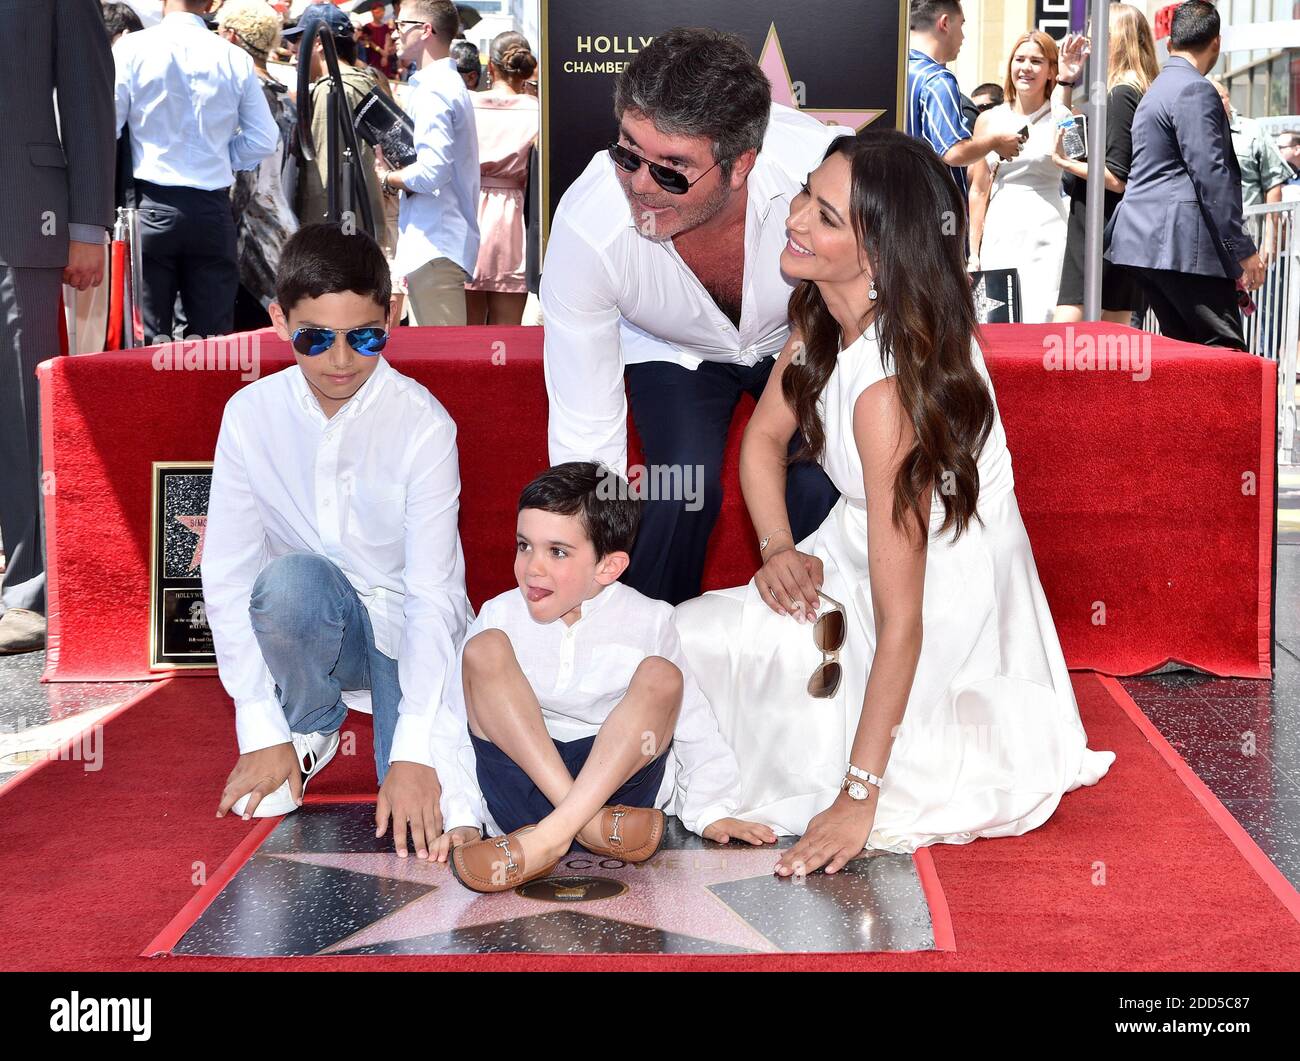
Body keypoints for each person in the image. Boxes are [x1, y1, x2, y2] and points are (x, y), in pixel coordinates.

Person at [673, 130, 1116, 872]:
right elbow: (761, 441)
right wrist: (778, 548)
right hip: (853, 549)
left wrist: (859, 792)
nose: (795, 217)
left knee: (719, 678)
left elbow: (904, 617)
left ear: (876, 257)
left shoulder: (887, 394)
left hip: (936, 603)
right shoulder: (823, 314)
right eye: (807, 194)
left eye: (825, 215)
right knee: (685, 643)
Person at [542, 28, 844, 607]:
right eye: (628, 153)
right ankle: (645, 644)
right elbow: (587, 433)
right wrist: (589, 589)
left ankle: (819, 644)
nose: (638, 185)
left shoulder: (816, 170)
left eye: (673, 170)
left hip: (798, 332)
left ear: (740, 166)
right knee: (682, 486)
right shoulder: (589, 230)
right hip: (672, 349)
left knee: (821, 476)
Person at [207, 223, 471, 862]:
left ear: (394, 313)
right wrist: (259, 728)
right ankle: (310, 721)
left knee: (422, 819)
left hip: (406, 629)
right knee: (288, 583)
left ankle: (396, 731)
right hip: (312, 619)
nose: (340, 360)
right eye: (314, 337)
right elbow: (229, 574)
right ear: (278, 321)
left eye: (365, 337)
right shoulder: (249, 416)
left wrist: (411, 752)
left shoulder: (424, 425)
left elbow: (433, 595)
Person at [437, 462, 775, 893]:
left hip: (617, 786)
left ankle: (547, 838)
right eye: (525, 546)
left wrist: (711, 809)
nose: (532, 568)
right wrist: (462, 817)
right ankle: (581, 825)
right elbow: (452, 723)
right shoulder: (498, 614)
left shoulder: (650, 619)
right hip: (528, 786)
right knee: (483, 650)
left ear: (608, 568)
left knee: (661, 676)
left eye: (557, 552)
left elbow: (693, 723)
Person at [0, 0, 114, 654]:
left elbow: (87, 87)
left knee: (21, 415)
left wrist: (85, 226)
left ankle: (32, 594)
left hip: (21, 219)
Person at [113, 0, 278, 341]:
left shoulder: (132, 48)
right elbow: (264, 139)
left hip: (150, 207)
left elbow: (106, 128)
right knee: (213, 345)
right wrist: (222, 157)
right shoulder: (234, 57)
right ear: (211, 4)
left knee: (146, 341)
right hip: (211, 209)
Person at [1106, 1, 1263, 348]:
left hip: (1149, 244)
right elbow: (1211, 174)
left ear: (1171, 42)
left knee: (1187, 355)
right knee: (1225, 352)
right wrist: (1243, 249)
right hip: (1179, 246)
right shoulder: (1194, 88)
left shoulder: (1159, 88)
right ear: (1216, 43)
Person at [377, 0, 480, 327]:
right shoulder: (440, 83)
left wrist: (387, 178)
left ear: (425, 30)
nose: (394, 32)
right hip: (437, 242)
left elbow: (433, 171)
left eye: (400, 24)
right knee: (441, 363)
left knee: (445, 366)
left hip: (436, 244)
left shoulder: (435, 87)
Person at [1053, 3, 1155, 324]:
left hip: (1101, 224)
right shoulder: (1127, 90)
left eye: (1098, 36)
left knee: (1069, 339)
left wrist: (1064, 163)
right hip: (1106, 224)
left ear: (1116, 39)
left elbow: (1115, 177)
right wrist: (1066, 81)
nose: (1089, 44)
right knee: (1107, 346)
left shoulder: (1122, 93)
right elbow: (1066, 127)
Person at [967, 31, 1072, 323]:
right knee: (997, 322)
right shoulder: (988, 119)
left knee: (1043, 318)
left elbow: (1077, 159)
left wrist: (1068, 86)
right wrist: (973, 253)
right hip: (1000, 229)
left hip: (1048, 230)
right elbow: (978, 190)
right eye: (1020, 58)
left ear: (1051, 70)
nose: (1026, 67)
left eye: (1036, 61)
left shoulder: (1064, 116)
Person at [218, 0, 300, 332]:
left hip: (250, 238)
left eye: (221, 31)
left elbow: (244, 181)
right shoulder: (282, 94)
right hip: (278, 226)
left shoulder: (251, 94)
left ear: (234, 36)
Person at [287, 4, 387, 254]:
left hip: (336, 238)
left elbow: (322, 180)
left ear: (318, 42)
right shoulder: (365, 82)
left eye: (299, 41)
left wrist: (310, 240)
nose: (295, 52)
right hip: (362, 229)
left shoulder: (331, 90)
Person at [905, 0, 1022, 199]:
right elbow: (954, 151)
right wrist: (995, 141)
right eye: (961, 25)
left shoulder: (892, 73)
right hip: (931, 209)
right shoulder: (938, 79)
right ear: (944, 23)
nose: (963, 36)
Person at [464, 32, 538, 326]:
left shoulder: (467, 103)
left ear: (490, 68)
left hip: (469, 210)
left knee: (465, 336)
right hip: (513, 220)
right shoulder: (536, 110)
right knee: (507, 332)